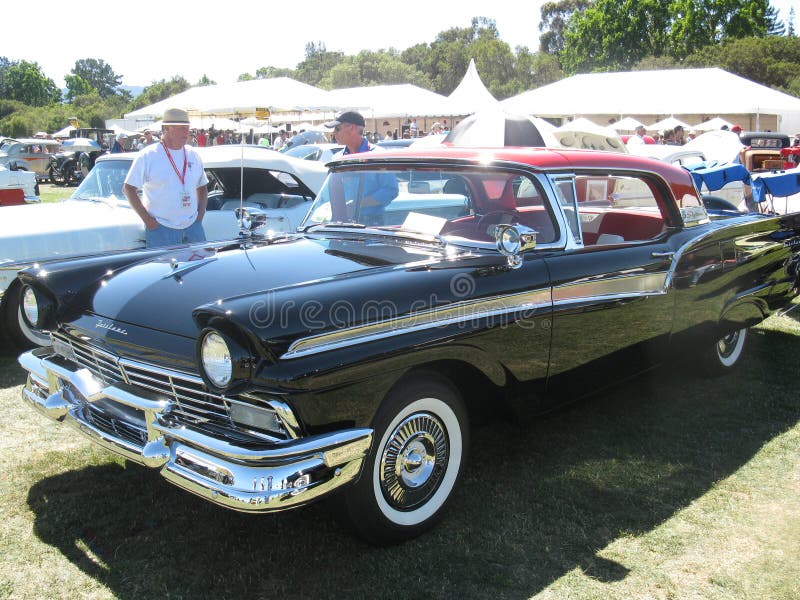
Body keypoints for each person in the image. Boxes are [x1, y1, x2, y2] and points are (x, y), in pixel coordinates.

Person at [123, 108, 208, 248]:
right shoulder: (148, 155)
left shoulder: (193, 155)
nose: (187, 132)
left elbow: (203, 187)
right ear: (167, 129)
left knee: (198, 270)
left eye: (188, 128)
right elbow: (128, 189)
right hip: (162, 229)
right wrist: (149, 222)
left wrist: (199, 217)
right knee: (164, 271)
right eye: (182, 128)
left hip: (193, 228)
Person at [325, 110, 398, 223]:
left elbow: (390, 190)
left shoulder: (378, 155)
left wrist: (359, 204)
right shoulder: (337, 159)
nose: (334, 133)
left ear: (352, 129)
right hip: (341, 223)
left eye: (337, 129)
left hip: (371, 224)